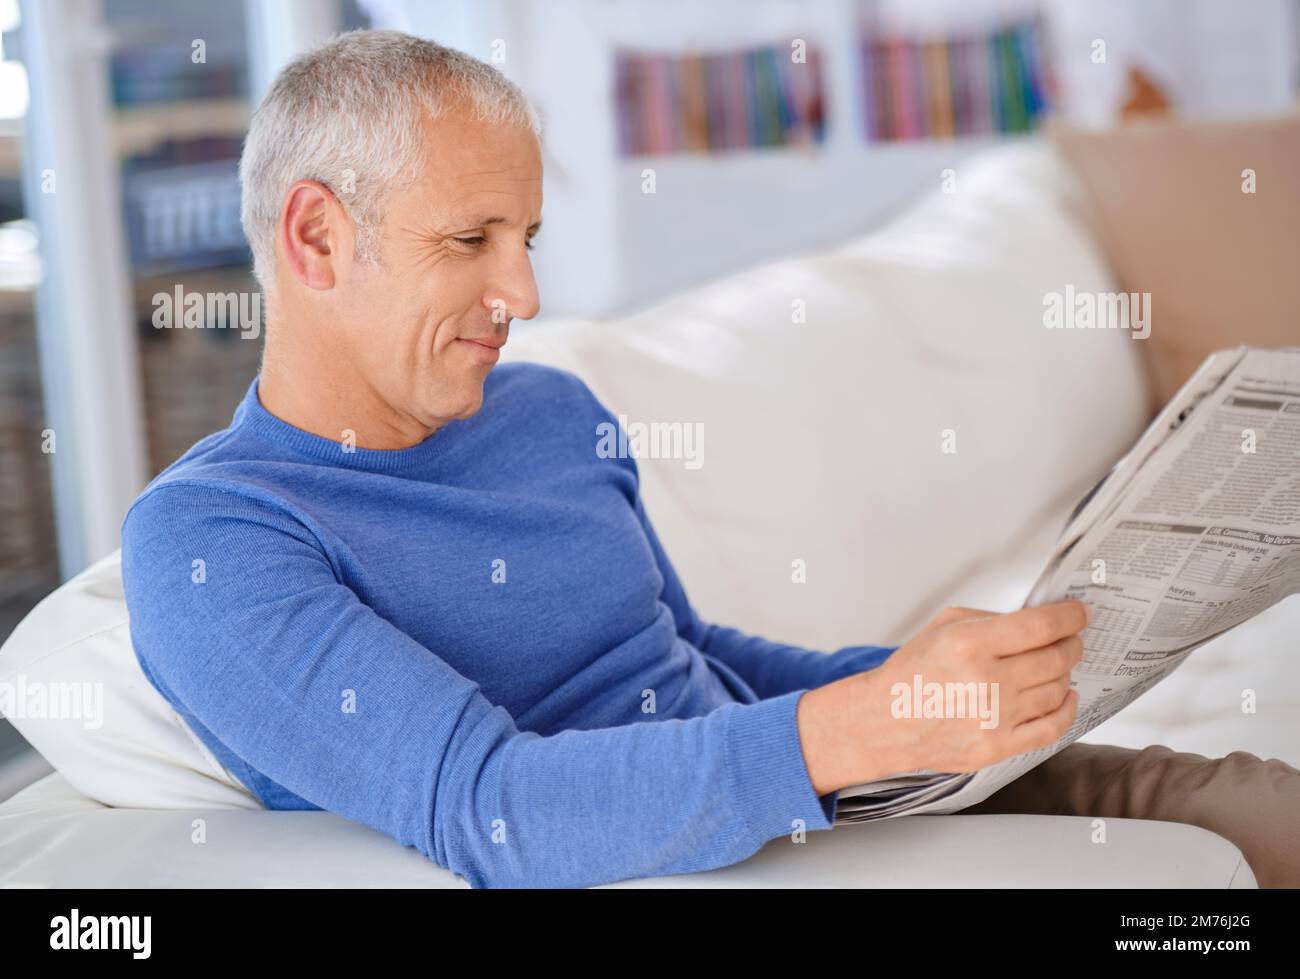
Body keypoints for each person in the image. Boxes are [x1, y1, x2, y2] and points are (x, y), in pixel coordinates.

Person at [121, 30, 1299, 888]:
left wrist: (921, 684)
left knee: (1256, 807)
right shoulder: (216, 542)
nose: (523, 292)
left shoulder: (542, 410)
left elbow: (693, 656)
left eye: (526, 239)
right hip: (713, 855)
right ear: (318, 238)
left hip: (847, 798)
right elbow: (491, 808)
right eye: (470, 240)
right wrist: (856, 729)